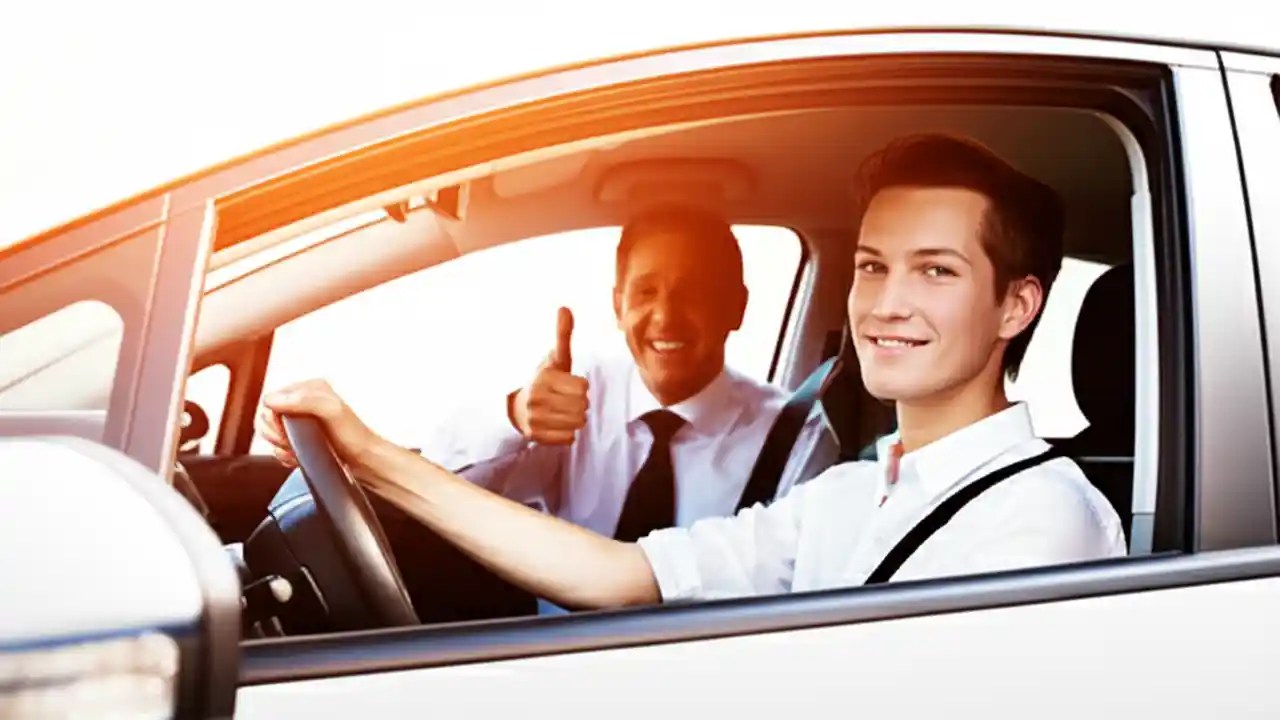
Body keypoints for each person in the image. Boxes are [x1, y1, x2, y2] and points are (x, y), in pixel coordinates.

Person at [257, 133, 1126, 610]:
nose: (885, 303)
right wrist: (371, 456)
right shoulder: (850, 499)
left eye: (935, 271)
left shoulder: (1043, 520)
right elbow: (622, 576)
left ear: (1016, 307)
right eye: (870, 266)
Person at [420, 205, 822, 541]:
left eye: (693, 292)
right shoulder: (575, 398)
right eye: (646, 292)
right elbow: (432, 486)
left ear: (737, 307)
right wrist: (515, 414)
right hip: (562, 638)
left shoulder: (792, 436)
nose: (666, 317)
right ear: (618, 307)